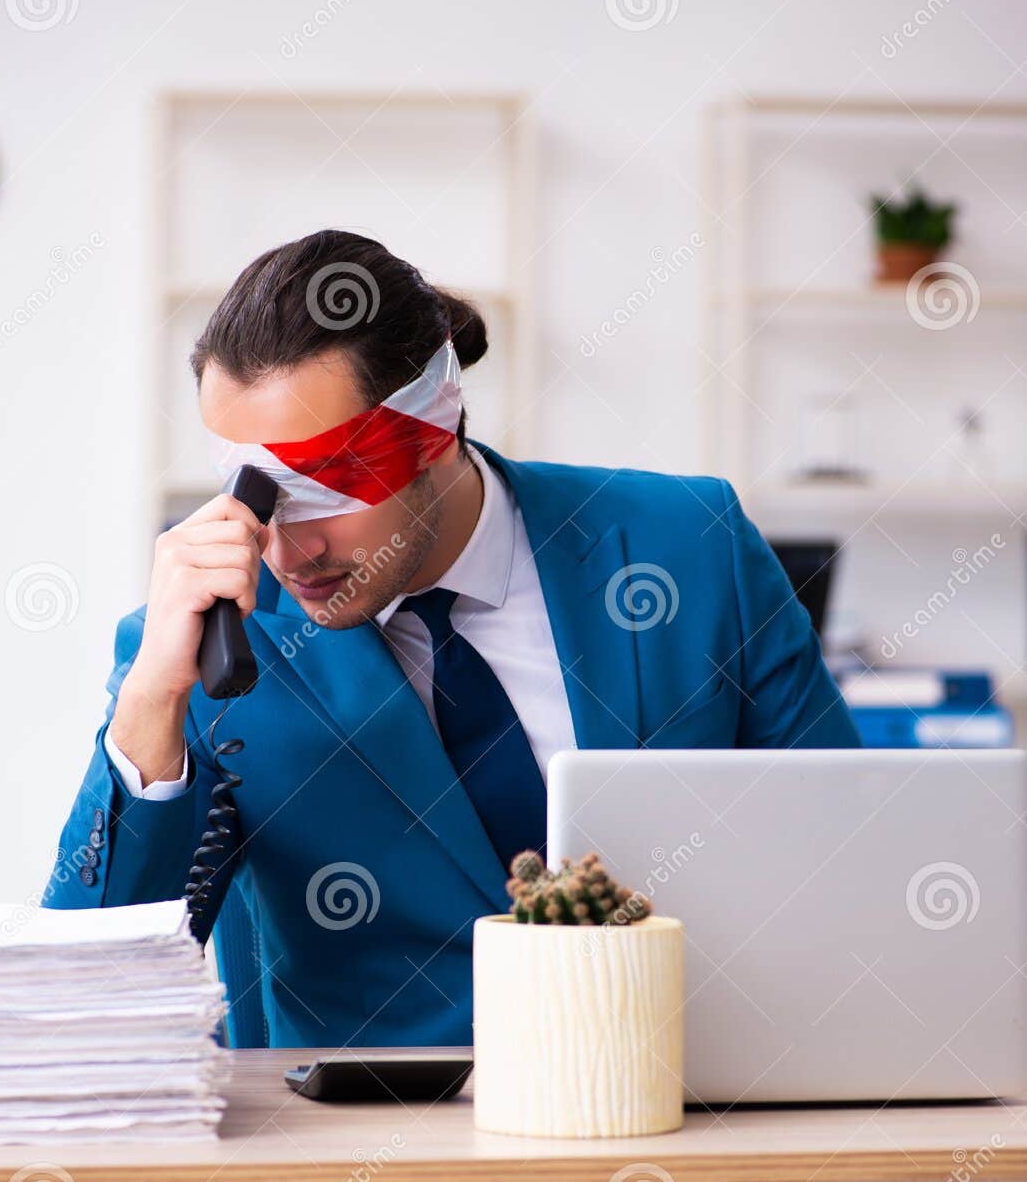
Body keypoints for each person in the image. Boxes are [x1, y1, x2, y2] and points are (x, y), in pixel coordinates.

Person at [45, 229, 860, 1048]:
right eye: (257, 494)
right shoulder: (211, 645)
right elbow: (83, 997)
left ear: (434, 431)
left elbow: (848, 852)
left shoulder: (689, 547)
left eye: (325, 488)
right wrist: (151, 701)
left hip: (686, 1098)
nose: (290, 549)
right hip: (371, 1153)